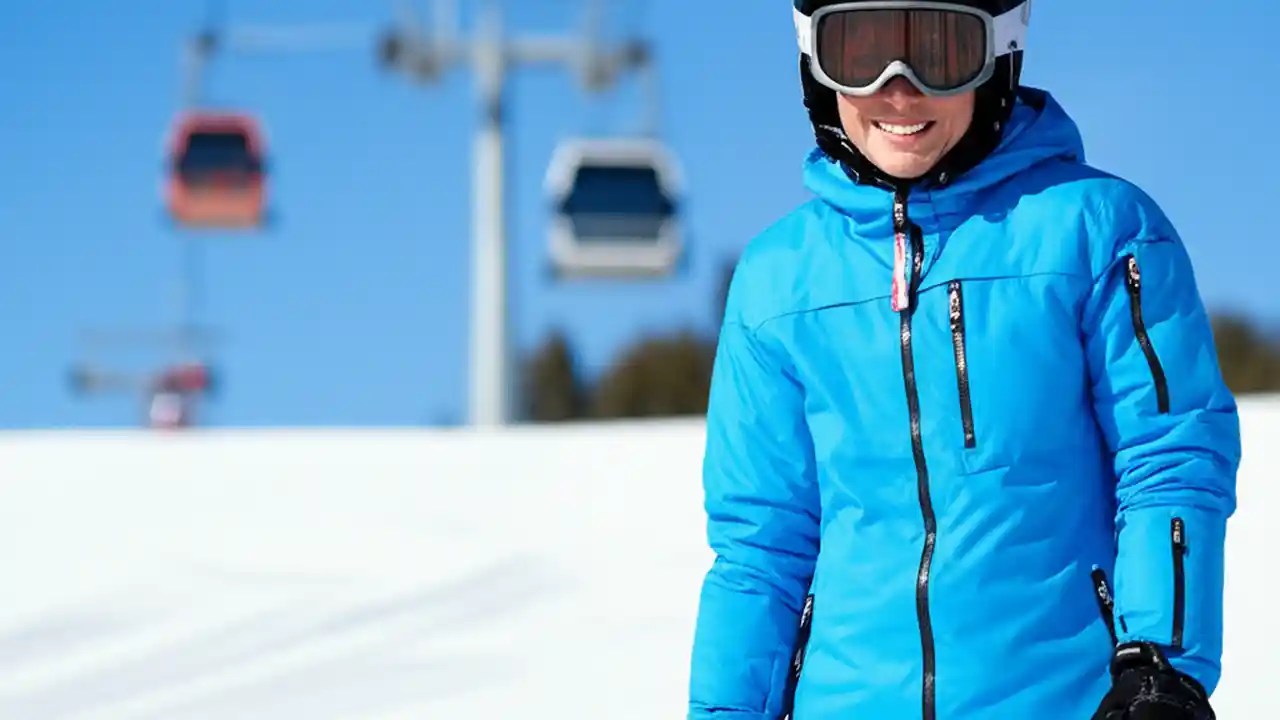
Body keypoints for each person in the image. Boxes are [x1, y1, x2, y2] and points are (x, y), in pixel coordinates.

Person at [686, 2, 1241, 719]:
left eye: (939, 51)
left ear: (1000, 58)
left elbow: (1170, 458)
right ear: (816, 68)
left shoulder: (1096, 230)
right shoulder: (776, 281)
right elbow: (761, 547)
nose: (898, 88)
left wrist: (1161, 669)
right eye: (862, 53)